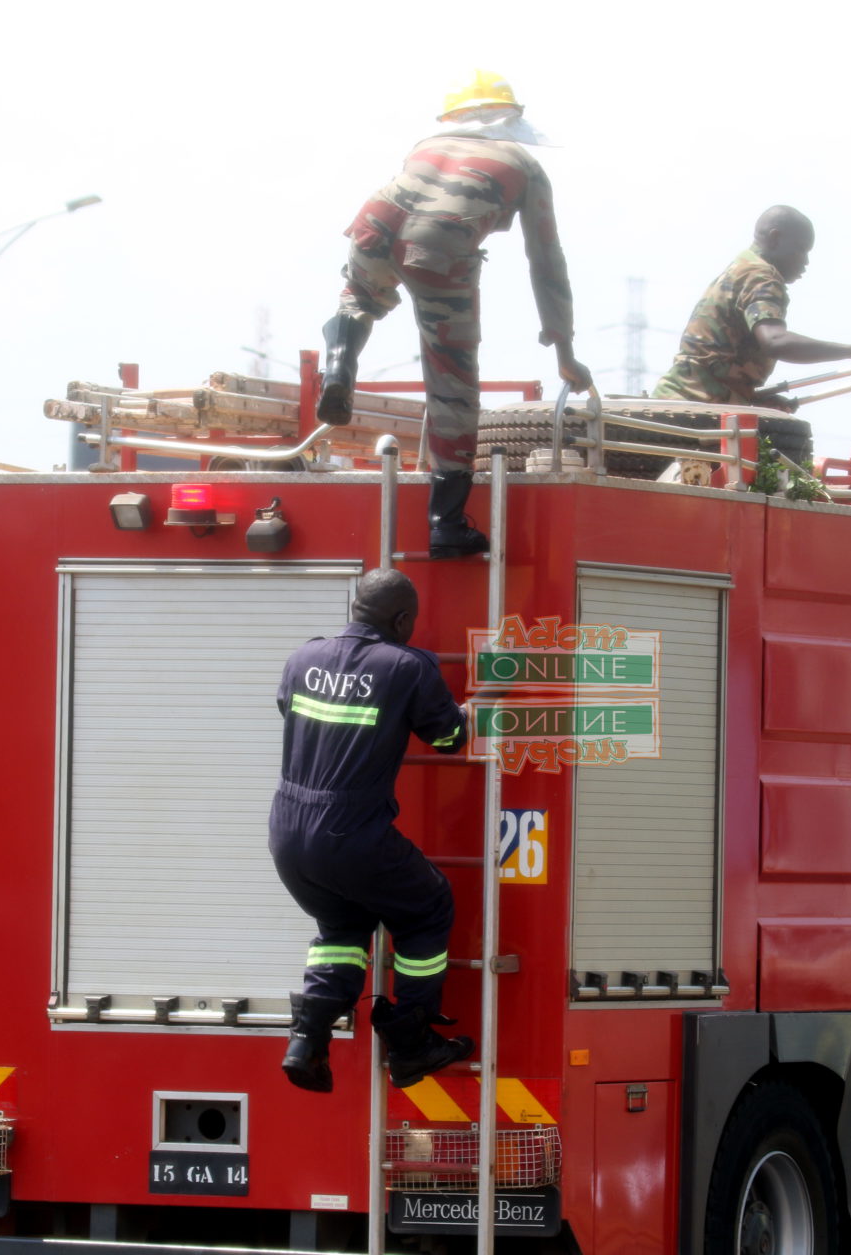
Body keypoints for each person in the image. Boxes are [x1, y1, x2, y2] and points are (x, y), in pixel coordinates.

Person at [317, 70, 592, 559]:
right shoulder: (524, 165)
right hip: (440, 241)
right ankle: (447, 523)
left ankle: (339, 362)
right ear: (509, 120)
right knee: (451, 377)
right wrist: (564, 349)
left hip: (373, 222)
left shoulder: (426, 144)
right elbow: (546, 261)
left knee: (359, 295)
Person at [270, 569, 470, 1094]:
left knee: (342, 926)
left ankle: (307, 1040)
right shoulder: (406, 667)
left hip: (288, 832)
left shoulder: (302, 658)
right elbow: (449, 736)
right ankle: (411, 1042)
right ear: (402, 620)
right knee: (428, 907)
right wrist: (473, 708)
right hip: (351, 832)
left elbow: (288, 712)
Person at [653, 206, 851, 409]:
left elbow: (719, 360)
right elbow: (775, 341)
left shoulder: (742, 266)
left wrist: (755, 400)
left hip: (687, 399)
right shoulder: (761, 276)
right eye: (800, 250)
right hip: (697, 405)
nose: (805, 262)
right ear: (775, 238)